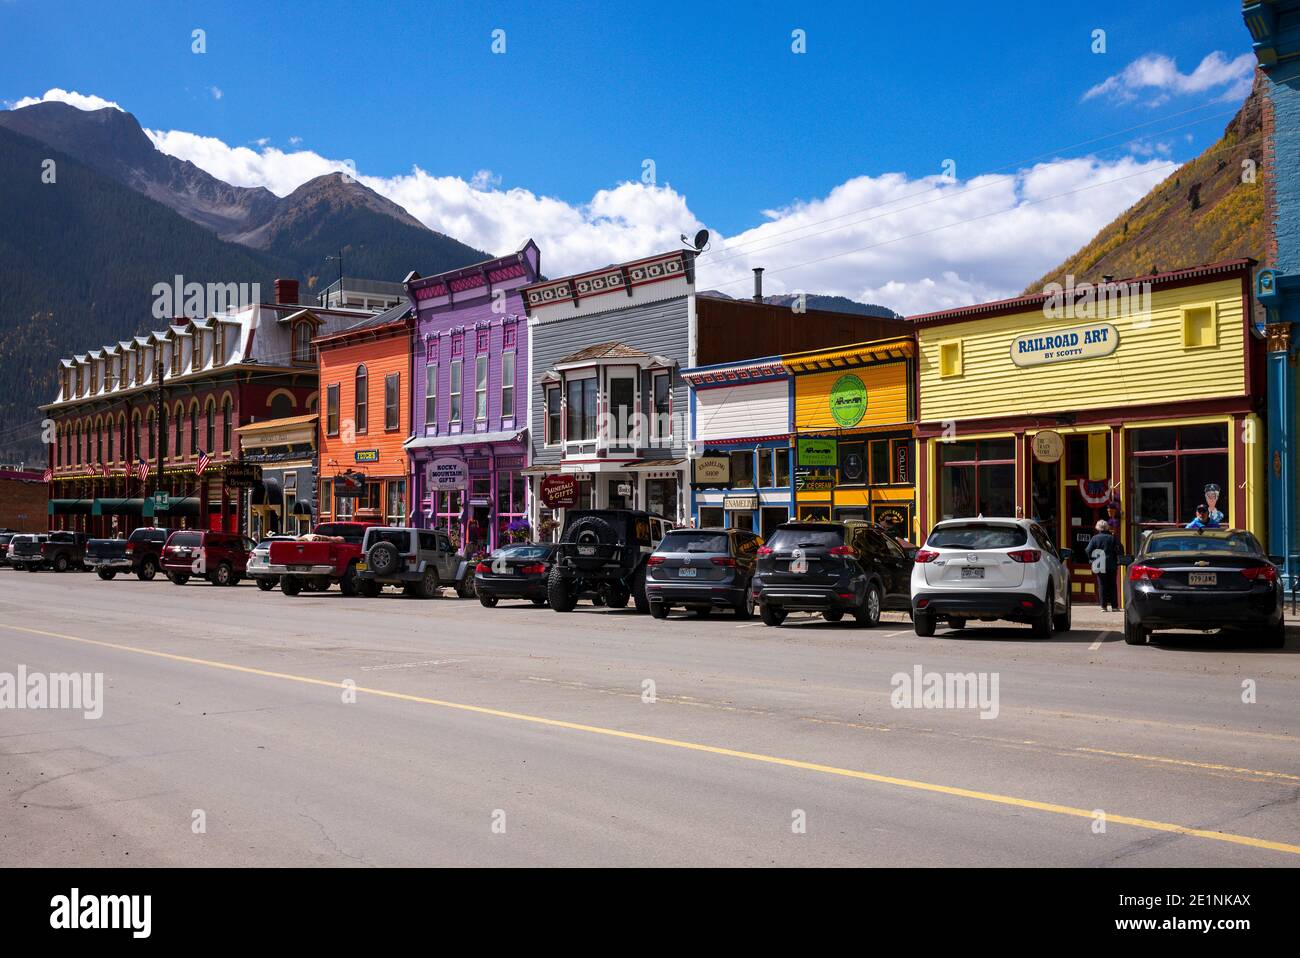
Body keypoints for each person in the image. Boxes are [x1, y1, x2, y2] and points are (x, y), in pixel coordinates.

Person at [1085, 519, 1120, 612]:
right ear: (1107, 527)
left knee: (1102, 585)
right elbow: (1120, 549)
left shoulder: (1095, 538)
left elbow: (1088, 550)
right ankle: (1115, 606)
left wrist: (1092, 559)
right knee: (1113, 585)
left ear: (1098, 528)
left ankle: (1103, 606)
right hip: (1112, 564)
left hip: (1099, 564)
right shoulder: (1112, 538)